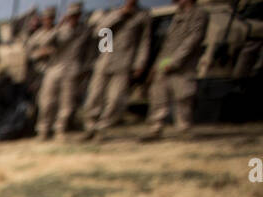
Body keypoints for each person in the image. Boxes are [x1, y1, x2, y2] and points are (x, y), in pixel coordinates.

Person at [81, 0, 151, 139]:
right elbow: (99, 32)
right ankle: (90, 127)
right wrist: (119, 15)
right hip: (105, 60)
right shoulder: (111, 11)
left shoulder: (143, 15)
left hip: (124, 62)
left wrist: (139, 63)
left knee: (116, 99)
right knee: (95, 96)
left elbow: (144, 42)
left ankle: (102, 128)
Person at [141, 0, 211, 140]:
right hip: (164, 64)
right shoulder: (177, 14)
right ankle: (155, 129)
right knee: (159, 97)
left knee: (183, 97)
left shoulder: (199, 14)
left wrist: (175, 61)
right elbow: (167, 43)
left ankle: (184, 129)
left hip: (184, 66)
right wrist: (156, 66)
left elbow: (192, 41)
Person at [35, 2, 93, 139]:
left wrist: (87, 67)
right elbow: (45, 42)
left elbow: (90, 50)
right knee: (47, 101)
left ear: (80, 15)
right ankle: (43, 129)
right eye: (71, 15)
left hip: (73, 69)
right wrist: (58, 27)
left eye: (76, 15)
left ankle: (60, 129)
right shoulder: (59, 29)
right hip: (55, 68)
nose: (74, 18)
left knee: (66, 103)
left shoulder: (85, 30)